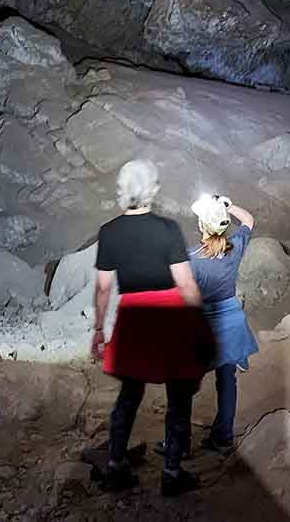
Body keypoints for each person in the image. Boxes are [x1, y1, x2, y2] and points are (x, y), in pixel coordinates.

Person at [92, 158, 214, 497]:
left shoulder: (109, 232)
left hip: (133, 317)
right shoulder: (168, 229)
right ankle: (172, 473)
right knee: (178, 396)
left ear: (122, 190)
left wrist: (99, 329)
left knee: (129, 394)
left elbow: (103, 288)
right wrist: (200, 321)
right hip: (169, 317)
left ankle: (115, 467)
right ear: (153, 190)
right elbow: (186, 285)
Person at [189, 193, 258, 453]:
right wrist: (229, 206)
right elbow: (249, 220)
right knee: (227, 380)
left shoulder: (191, 258)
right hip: (231, 323)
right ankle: (222, 437)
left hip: (205, 327)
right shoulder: (235, 248)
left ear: (200, 226)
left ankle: (177, 442)